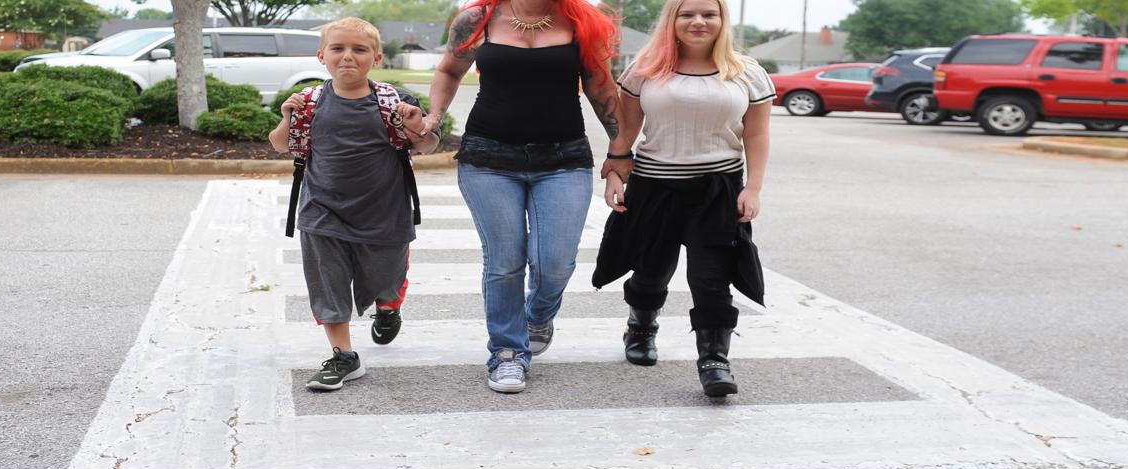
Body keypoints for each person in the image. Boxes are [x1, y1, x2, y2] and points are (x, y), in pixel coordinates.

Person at [426, 0, 624, 393]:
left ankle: (537, 315)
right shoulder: (476, 19)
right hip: (488, 157)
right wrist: (433, 117)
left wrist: (620, 152)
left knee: (555, 262)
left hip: (563, 158)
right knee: (504, 263)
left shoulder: (582, 21)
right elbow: (449, 70)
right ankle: (507, 353)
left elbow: (602, 88)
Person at [593, 0, 772, 397]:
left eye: (709, 14)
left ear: (722, 21)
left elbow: (756, 134)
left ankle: (714, 360)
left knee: (712, 277)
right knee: (651, 269)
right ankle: (641, 328)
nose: (698, 21)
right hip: (654, 187)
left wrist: (753, 188)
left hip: (717, 191)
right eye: (687, 13)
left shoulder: (748, 73)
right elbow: (624, 130)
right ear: (671, 21)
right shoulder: (644, 69)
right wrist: (614, 175)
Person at [269, 17, 440, 391]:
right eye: (338, 48)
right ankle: (343, 356)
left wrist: (416, 126)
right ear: (322, 56)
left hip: (385, 213)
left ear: (375, 57)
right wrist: (286, 117)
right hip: (322, 212)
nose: (348, 56)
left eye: (359, 49)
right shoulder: (310, 101)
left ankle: (388, 305)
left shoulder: (395, 101)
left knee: (385, 279)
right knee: (326, 285)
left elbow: (427, 145)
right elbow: (282, 145)